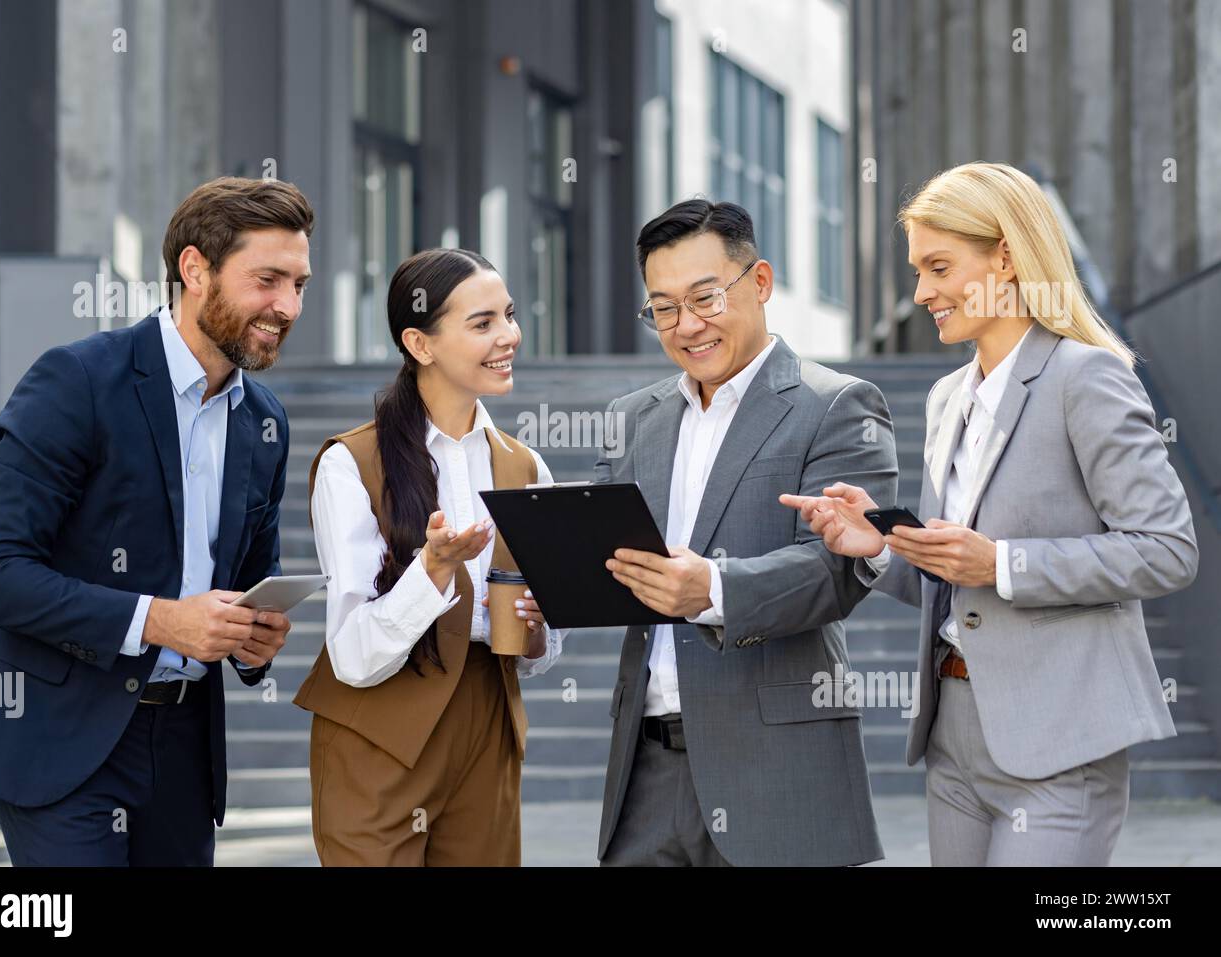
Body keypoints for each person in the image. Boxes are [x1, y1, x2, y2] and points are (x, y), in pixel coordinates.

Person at [781, 162, 1198, 866]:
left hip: (1062, 740)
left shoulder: (1086, 376)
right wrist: (879, 542)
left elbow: (1166, 547)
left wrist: (1001, 561)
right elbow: (953, 580)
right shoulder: (948, 397)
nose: (922, 293)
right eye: (917, 271)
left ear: (1005, 255)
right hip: (955, 736)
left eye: (938, 266)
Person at [0, 176, 312, 865]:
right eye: (268, 279)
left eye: (299, 284)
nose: (286, 306)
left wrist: (255, 635)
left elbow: (253, 573)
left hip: (183, 749)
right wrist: (162, 620)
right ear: (194, 269)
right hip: (58, 737)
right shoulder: (76, 381)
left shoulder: (265, 420)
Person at [595, 199, 899, 866]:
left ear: (759, 282)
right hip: (645, 773)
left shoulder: (838, 405)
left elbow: (836, 570)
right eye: (664, 308)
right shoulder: (630, 418)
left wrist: (712, 588)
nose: (687, 325)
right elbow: (613, 563)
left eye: (705, 298)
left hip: (777, 768)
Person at [294, 248, 564, 866]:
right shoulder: (351, 464)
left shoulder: (526, 467)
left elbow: (538, 657)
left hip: (486, 726)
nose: (509, 337)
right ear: (420, 342)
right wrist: (433, 571)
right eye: (482, 323)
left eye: (510, 316)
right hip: (380, 730)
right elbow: (354, 656)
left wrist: (543, 616)